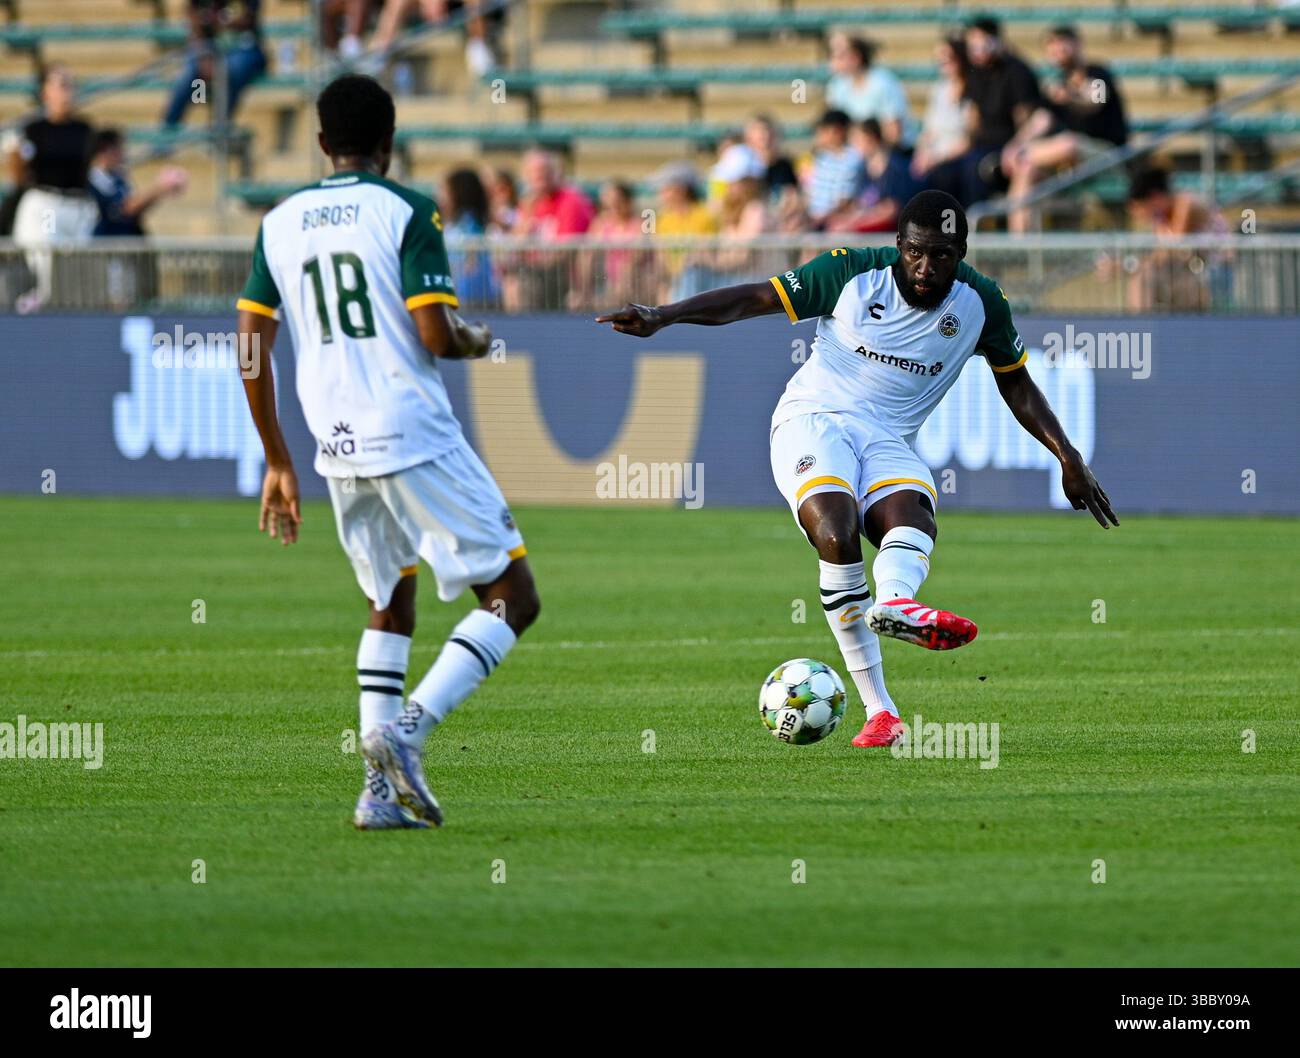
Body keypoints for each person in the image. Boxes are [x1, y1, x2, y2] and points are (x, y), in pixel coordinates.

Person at [598, 190, 1115, 748]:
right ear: (898, 245)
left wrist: (1068, 455)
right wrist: (663, 315)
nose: (926, 267)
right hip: (814, 420)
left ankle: (895, 606)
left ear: (962, 252)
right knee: (837, 532)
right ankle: (880, 707)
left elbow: (1015, 379)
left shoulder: (982, 302)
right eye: (915, 252)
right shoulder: (849, 273)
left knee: (911, 517)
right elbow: (753, 298)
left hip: (890, 438)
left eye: (942, 255)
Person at [235, 75, 541, 829]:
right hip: (409, 430)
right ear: (390, 143)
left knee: (389, 598)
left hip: (333, 442)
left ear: (319, 143)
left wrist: (277, 457)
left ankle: (376, 797)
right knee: (513, 595)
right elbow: (437, 333)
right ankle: (407, 733)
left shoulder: (280, 221)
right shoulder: (406, 210)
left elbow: (250, 345)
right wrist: (473, 337)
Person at [1000, 25, 1129, 232]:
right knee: (1026, 170)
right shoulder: (1058, 84)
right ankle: (1020, 244)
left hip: (1108, 154)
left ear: (1077, 45)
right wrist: (1014, 145)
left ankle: (1026, 155)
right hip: (1071, 163)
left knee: (1067, 143)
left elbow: (1095, 100)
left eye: (1063, 46)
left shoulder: (1097, 73)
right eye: (1053, 49)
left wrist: (1069, 97)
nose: (1058, 53)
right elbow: (1040, 121)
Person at [5, 65, 98, 311]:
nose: (67, 92)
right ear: (45, 92)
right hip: (47, 204)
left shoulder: (83, 129)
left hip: (78, 206)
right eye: (60, 85)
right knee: (47, 260)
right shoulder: (34, 129)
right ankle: (40, 311)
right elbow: (20, 175)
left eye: (70, 85)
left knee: (79, 268)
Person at [929, 17, 1040, 205]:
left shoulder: (1016, 71)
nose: (977, 49)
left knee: (973, 169)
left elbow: (1025, 120)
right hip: (980, 146)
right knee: (943, 172)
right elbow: (974, 121)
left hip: (1006, 146)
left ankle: (976, 226)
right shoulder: (976, 73)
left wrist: (1015, 148)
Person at [1121, 166, 1231, 311]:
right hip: (1193, 272)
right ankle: (1143, 328)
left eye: (1141, 208)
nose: (1141, 215)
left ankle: (1145, 327)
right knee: (1142, 277)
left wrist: (1127, 263)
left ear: (1155, 197)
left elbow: (1172, 246)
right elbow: (1161, 254)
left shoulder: (1185, 202)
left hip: (1216, 272)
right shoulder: (1160, 217)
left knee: (1145, 275)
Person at [163, 0, 268, 129]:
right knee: (189, 74)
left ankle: (219, 129)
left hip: (243, 51)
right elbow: (192, 16)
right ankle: (166, 138)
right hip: (209, 51)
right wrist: (203, 55)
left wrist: (221, 23)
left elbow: (248, 18)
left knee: (229, 70)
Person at [827, 118, 923, 233]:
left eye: (857, 140)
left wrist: (853, 225)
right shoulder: (863, 169)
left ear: (871, 138)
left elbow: (891, 211)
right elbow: (859, 206)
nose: (854, 146)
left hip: (891, 233)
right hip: (868, 230)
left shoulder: (895, 168)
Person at [88, 129, 188, 236]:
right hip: (107, 242)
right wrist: (161, 187)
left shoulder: (119, 178)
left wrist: (160, 192)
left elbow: (136, 209)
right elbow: (126, 208)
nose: (123, 153)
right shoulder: (94, 179)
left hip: (129, 239)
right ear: (105, 151)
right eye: (119, 148)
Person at [825, 34, 917, 148]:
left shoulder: (882, 83)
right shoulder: (837, 85)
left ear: (856, 57)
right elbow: (835, 129)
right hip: (859, 150)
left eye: (840, 56)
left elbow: (893, 133)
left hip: (893, 151)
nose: (833, 61)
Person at [911, 37, 972, 185]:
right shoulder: (939, 89)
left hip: (956, 158)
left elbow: (969, 139)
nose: (943, 64)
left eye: (948, 59)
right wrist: (922, 153)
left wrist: (938, 158)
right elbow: (928, 130)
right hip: (935, 155)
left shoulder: (974, 90)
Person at [440, 166, 497, 305]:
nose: (440, 195)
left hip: (470, 298)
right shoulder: (452, 224)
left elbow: (472, 264)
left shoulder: (469, 224)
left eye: (445, 190)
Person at [802, 109, 864, 227]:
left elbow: (846, 202)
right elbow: (810, 196)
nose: (818, 135)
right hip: (815, 219)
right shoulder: (821, 158)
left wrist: (821, 218)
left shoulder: (853, 159)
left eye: (823, 131)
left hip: (835, 221)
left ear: (836, 131)